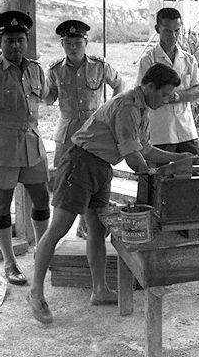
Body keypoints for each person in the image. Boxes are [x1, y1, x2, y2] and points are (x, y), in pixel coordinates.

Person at [27, 63, 194, 324]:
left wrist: (180, 157)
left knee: (97, 230)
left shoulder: (142, 109)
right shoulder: (127, 106)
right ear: (150, 87)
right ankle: (35, 292)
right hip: (79, 164)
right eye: (164, 94)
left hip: (101, 166)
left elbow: (146, 149)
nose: (166, 100)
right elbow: (133, 158)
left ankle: (99, 289)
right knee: (58, 228)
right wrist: (155, 174)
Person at [0, 10, 51, 286]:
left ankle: (42, 251)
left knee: (41, 199)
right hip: (2, 146)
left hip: (32, 143)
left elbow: (44, 100)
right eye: (10, 40)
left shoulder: (36, 70)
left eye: (20, 40)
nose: (15, 46)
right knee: (2, 205)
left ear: (27, 41)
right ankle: (10, 263)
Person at [45, 19, 124, 238]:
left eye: (77, 42)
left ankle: (85, 224)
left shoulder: (99, 66)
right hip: (67, 129)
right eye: (68, 43)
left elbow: (119, 84)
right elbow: (49, 97)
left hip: (93, 130)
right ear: (62, 44)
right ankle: (58, 225)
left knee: (92, 174)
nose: (73, 47)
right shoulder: (54, 70)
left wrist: (111, 109)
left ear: (86, 42)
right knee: (63, 176)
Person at [136, 7, 199, 160]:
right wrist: (186, 94)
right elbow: (144, 94)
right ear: (157, 29)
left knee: (195, 173)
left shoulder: (188, 59)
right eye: (167, 31)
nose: (173, 36)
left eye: (177, 31)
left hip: (186, 130)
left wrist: (176, 96)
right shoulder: (148, 60)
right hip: (160, 132)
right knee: (159, 177)